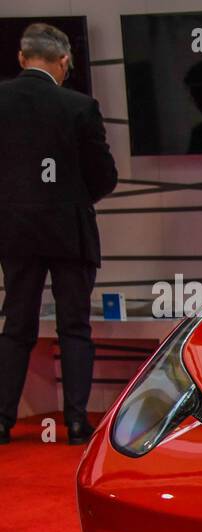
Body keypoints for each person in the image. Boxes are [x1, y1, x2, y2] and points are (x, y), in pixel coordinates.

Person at [0, 22, 117, 445]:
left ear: (21, 57)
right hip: (70, 230)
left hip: (14, 231)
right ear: (64, 61)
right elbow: (104, 177)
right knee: (74, 327)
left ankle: (1, 421)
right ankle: (75, 424)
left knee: (16, 325)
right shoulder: (79, 106)